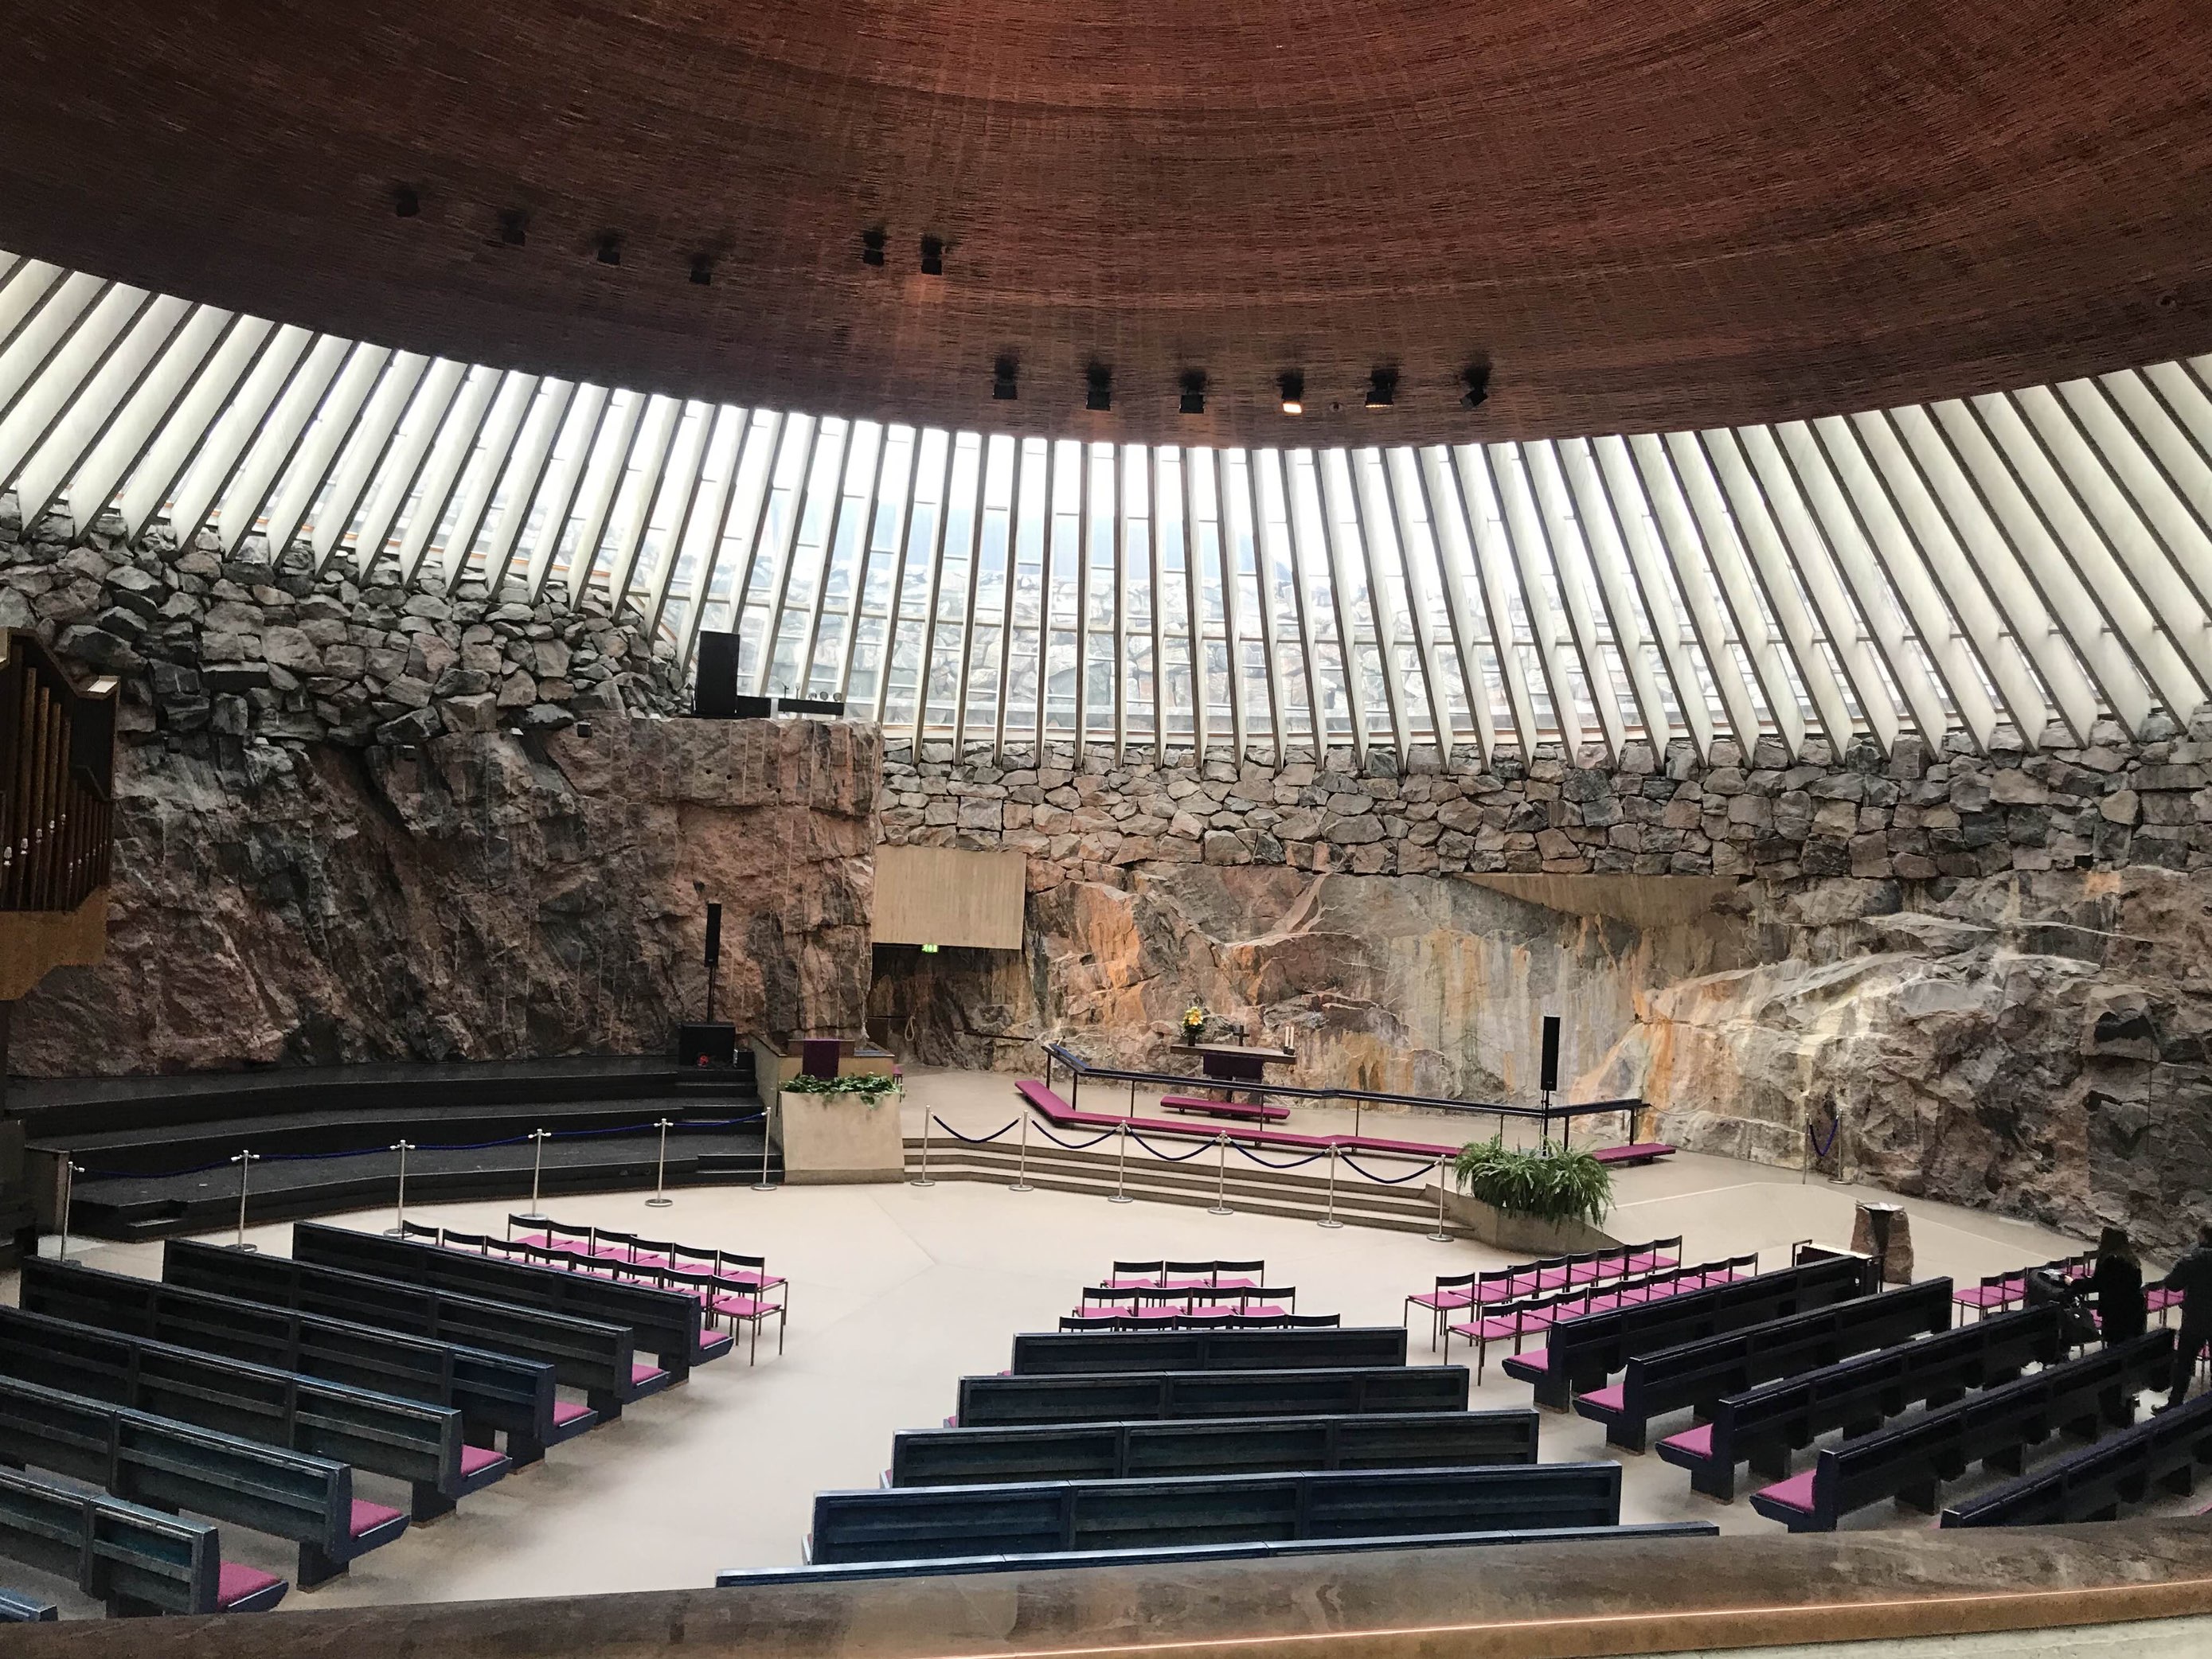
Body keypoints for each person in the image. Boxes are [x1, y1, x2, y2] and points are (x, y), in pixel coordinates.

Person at [2157, 1220, 2212, 1409]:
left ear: (2202, 1236)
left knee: (2184, 1364)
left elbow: (2173, 1284)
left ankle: (2175, 1404)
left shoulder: (2192, 1259)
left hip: (2195, 1319)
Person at [2082, 1226, 2145, 1345]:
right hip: (2135, 1309)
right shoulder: (2132, 1260)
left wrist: (2074, 1283)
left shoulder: (2108, 1260)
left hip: (2116, 1312)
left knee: (2115, 1345)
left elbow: (2098, 1284)